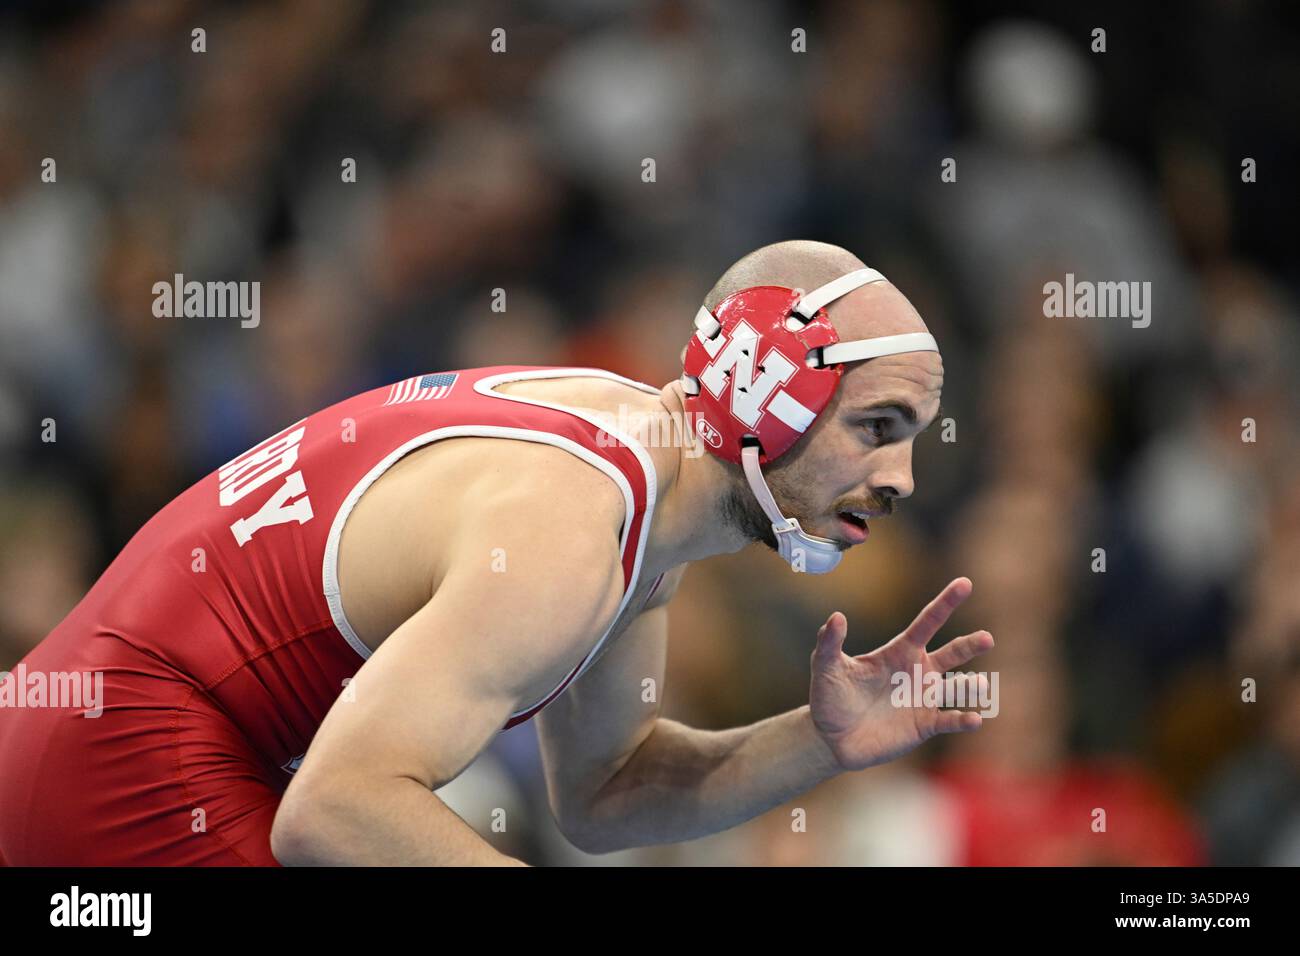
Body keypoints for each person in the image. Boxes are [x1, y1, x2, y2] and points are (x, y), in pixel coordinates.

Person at [0, 240, 993, 865]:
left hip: (95, 727)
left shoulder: (632, 482)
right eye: (880, 426)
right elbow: (337, 811)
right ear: (766, 393)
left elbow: (604, 796)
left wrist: (816, 740)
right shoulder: (566, 527)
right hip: (124, 754)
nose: (903, 476)